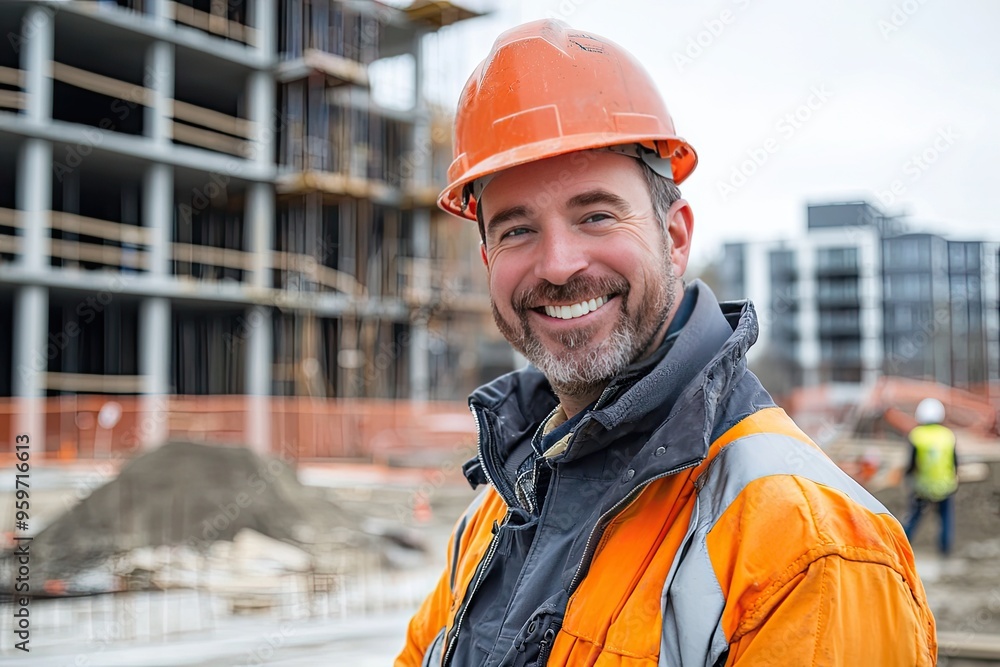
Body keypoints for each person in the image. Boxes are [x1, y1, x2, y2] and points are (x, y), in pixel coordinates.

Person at [396, 19, 936, 667]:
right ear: (487, 259)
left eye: (595, 214)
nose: (560, 264)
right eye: (517, 230)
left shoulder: (810, 549)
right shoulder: (496, 513)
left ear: (676, 238)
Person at [904, 397, 959, 555]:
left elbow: (912, 462)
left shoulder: (917, 435)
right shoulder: (948, 435)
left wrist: (908, 478)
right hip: (945, 485)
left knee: (914, 517)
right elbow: (955, 461)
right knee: (945, 518)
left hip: (923, 487)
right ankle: (945, 550)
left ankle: (903, 544)